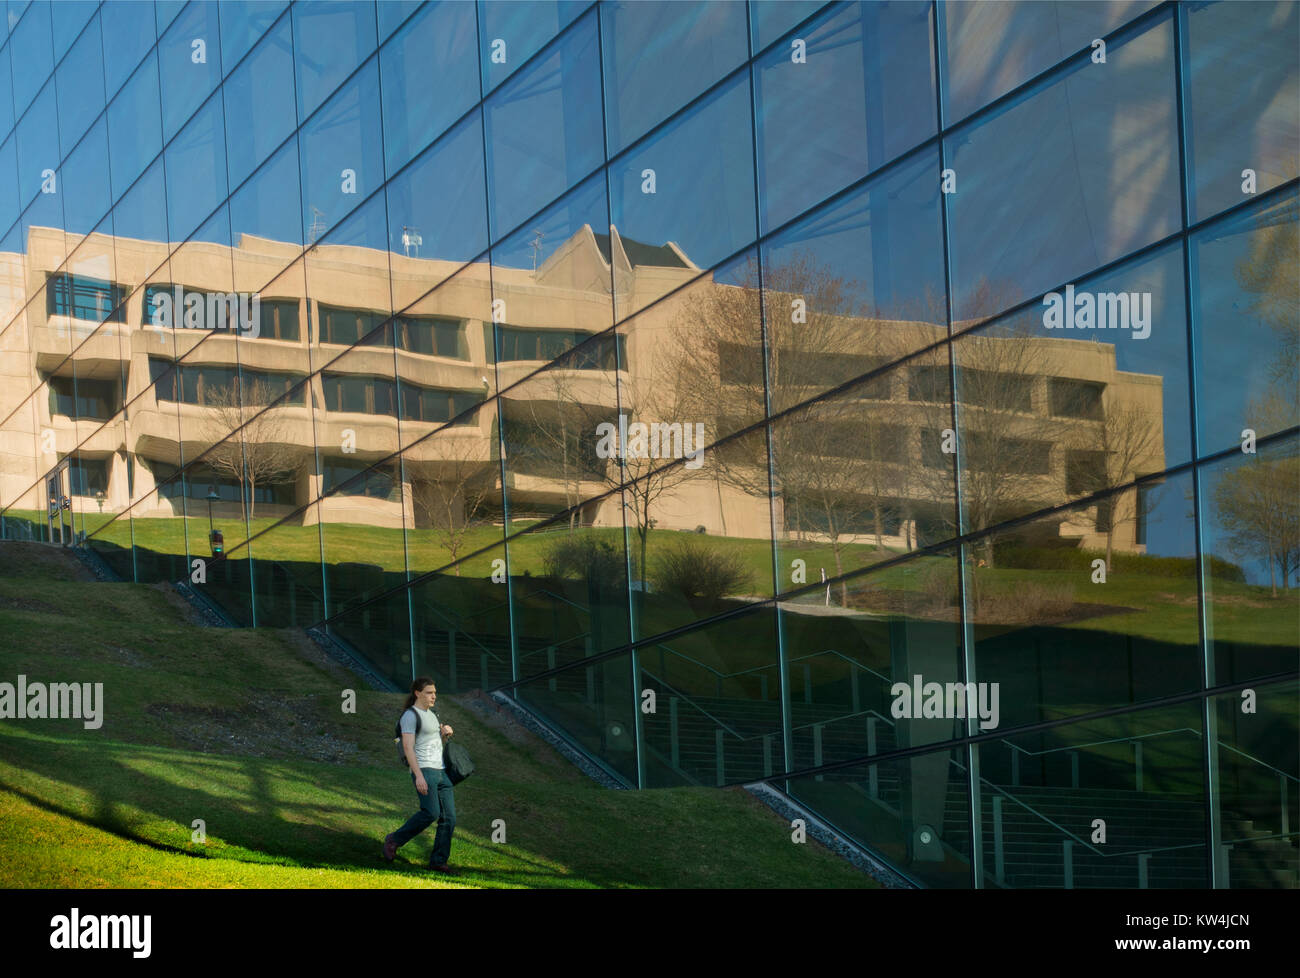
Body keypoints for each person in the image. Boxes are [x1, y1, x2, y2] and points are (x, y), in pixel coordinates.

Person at [382, 677, 457, 873]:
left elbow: (432, 742)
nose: (434, 696)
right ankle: (394, 840)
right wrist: (419, 776)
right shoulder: (410, 715)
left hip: (441, 771)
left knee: (449, 817)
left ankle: (438, 861)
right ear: (417, 693)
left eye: (435, 692)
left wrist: (444, 734)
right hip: (424, 770)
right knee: (431, 812)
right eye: (429, 693)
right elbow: (408, 747)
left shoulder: (433, 715)